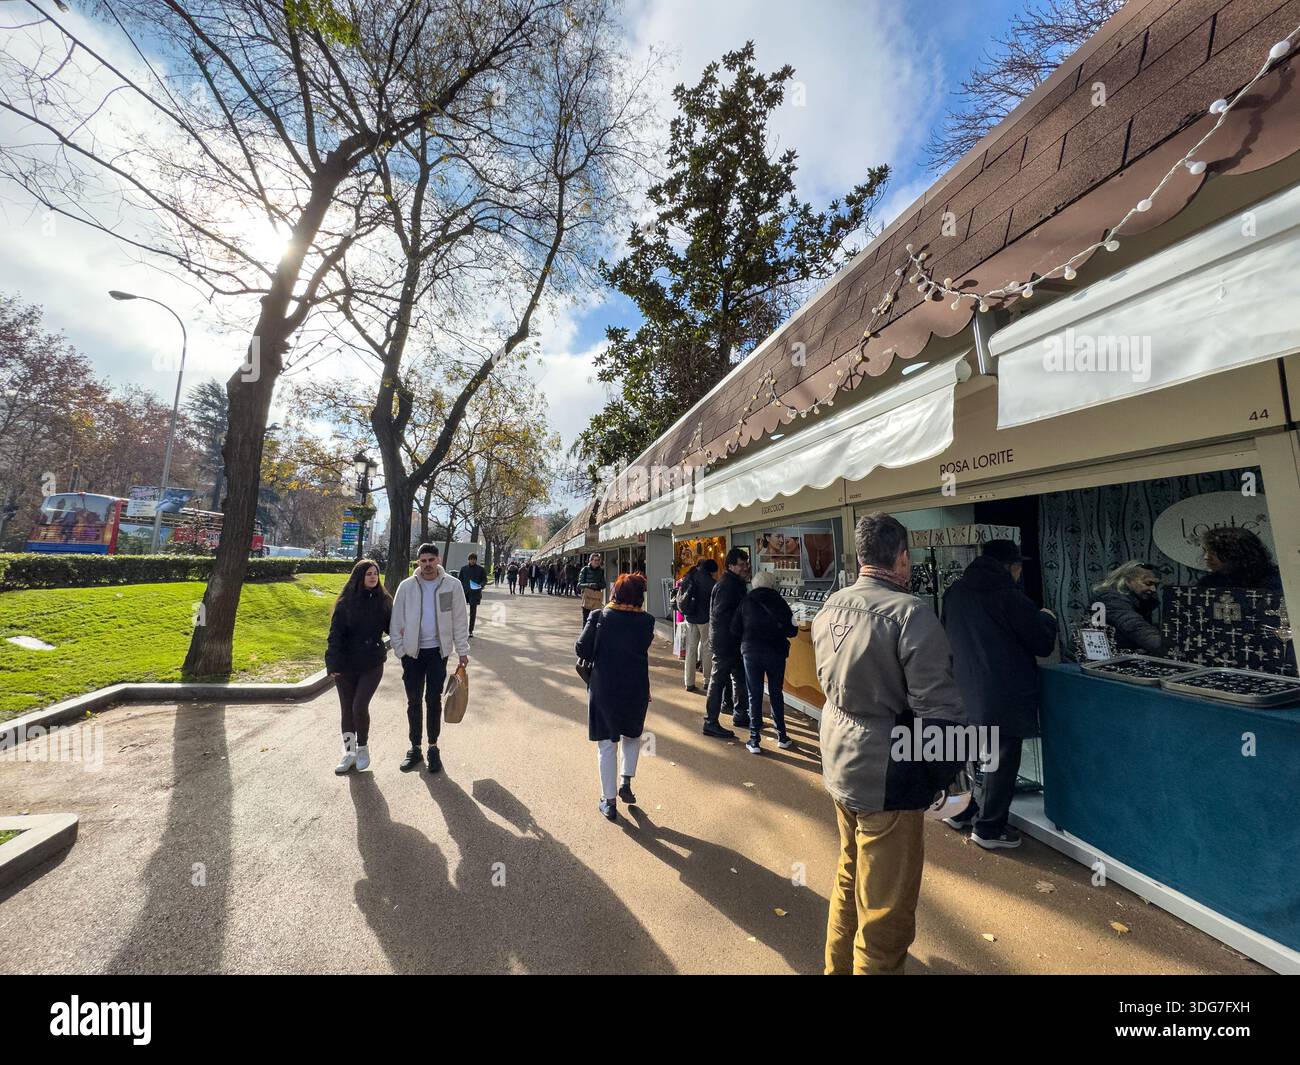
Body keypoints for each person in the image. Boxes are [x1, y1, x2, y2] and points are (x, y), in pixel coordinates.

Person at [812, 512, 965, 976]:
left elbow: (827, 683)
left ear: (861, 557)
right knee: (887, 916)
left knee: (848, 879)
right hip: (888, 778)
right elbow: (938, 712)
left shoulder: (832, 604)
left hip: (840, 762)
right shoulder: (912, 614)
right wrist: (942, 780)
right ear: (902, 558)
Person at [941, 540, 1057, 849]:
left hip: (964, 686)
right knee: (998, 760)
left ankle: (960, 810)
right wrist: (1047, 618)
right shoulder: (1011, 598)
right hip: (1003, 693)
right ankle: (989, 829)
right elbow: (1042, 643)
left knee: (966, 754)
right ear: (1011, 567)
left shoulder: (955, 592)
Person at [576, 572, 656, 821]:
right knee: (632, 734)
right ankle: (626, 782)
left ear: (616, 593)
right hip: (636, 686)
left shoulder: (600, 617)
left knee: (607, 744)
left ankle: (609, 801)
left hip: (605, 687)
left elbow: (581, 648)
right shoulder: (648, 621)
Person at [390, 543, 470, 774]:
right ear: (418, 563)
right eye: (423, 561)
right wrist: (400, 650)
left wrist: (462, 651)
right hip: (412, 654)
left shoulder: (452, 586)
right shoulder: (406, 587)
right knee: (413, 700)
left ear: (438, 560)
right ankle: (415, 748)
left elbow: (459, 620)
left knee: (433, 699)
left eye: (431, 560)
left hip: (437, 652)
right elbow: (396, 621)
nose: (427, 565)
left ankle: (433, 747)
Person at [326, 559, 392, 775]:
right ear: (359, 577)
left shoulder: (383, 601)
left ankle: (362, 748)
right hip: (345, 664)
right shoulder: (345, 603)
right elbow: (335, 635)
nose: (373, 577)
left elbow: (394, 627)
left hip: (371, 662)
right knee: (346, 708)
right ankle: (349, 753)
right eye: (368, 574)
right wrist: (333, 663)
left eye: (375, 573)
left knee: (359, 706)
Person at [732, 568, 798, 754]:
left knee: (755, 694)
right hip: (776, 652)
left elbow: (734, 628)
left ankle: (754, 739)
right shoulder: (780, 602)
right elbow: (793, 631)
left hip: (751, 652)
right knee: (776, 692)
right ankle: (782, 736)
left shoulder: (746, 601)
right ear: (772, 584)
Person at [703, 547, 752, 738]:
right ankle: (710, 721)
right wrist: (737, 628)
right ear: (731, 565)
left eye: (746, 564)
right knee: (719, 680)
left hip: (730, 640)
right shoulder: (727, 585)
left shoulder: (732, 583)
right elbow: (721, 615)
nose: (745, 568)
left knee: (738, 677)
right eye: (741, 565)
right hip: (726, 641)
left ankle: (740, 714)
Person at [1091, 561, 1165, 655]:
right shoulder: (1110, 598)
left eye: (1156, 585)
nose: (1154, 589)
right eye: (1148, 583)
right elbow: (1135, 627)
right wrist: (1168, 650)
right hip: (1081, 661)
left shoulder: (1140, 600)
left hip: (1103, 656)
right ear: (1128, 580)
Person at [1198, 526, 1283, 590]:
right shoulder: (1208, 583)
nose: (1206, 557)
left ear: (1237, 554)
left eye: (1215, 552)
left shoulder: (1273, 581)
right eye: (1206, 551)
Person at [677, 559, 718, 693]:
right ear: (711, 571)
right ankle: (707, 681)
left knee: (690, 650)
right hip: (705, 619)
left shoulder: (690, 575)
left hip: (690, 617)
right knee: (707, 649)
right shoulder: (711, 583)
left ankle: (689, 682)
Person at [457, 552, 488, 637]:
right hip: (464, 592)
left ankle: (470, 630)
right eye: (471, 559)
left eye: (474, 559)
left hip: (475, 593)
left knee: (473, 613)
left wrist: (480, 585)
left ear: (476, 560)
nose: (472, 561)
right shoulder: (463, 569)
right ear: (468, 560)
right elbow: (460, 581)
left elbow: (484, 580)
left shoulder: (480, 569)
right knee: (461, 612)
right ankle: (460, 629)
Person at [578, 552, 607, 626]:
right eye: (595, 560)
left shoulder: (600, 571)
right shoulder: (585, 570)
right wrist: (590, 585)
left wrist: (597, 585)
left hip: (596, 597)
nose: (597, 562)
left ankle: (593, 635)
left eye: (598, 560)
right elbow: (579, 585)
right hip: (587, 596)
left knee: (596, 619)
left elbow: (604, 584)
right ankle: (585, 635)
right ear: (590, 561)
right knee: (586, 619)